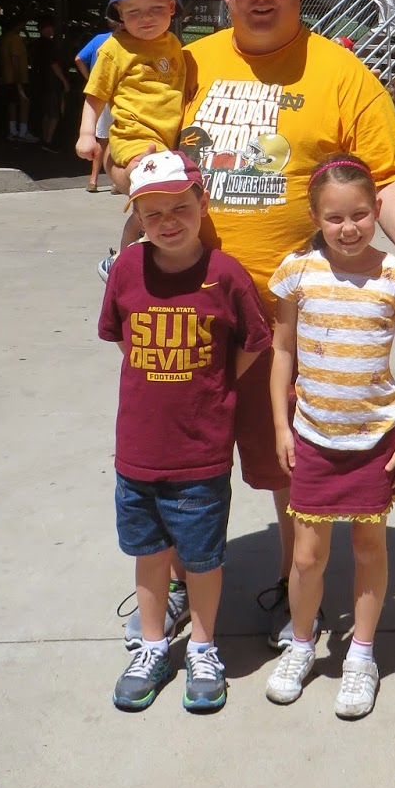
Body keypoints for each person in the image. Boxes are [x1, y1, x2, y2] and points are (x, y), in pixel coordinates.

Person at [178, 0, 395, 649]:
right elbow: (140, 160)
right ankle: (178, 586)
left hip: (294, 322)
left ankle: (288, 582)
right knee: (185, 465)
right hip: (194, 309)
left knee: (286, 466)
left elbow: (388, 172)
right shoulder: (185, 64)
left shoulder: (340, 72)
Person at [99, 151, 271, 715]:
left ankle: (201, 646)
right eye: (152, 214)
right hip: (139, 451)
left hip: (201, 452)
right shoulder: (127, 269)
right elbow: (123, 339)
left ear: (202, 204)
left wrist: (216, 385)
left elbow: (252, 342)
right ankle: (152, 648)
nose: (168, 221)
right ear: (137, 218)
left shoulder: (226, 274)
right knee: (148, 556)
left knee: (201, 560)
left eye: (180, 207)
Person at [264, 156, 395, 719]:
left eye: (360, 214)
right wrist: (282, 426)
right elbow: (282, 351)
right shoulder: (296, 272)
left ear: (378, 211)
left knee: (367, 546)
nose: (349, 227)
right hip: (312, 436)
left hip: (375, 439)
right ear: (315, 216)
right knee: (307, 556)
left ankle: (360, 654)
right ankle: (302, 645)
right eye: (335, 218)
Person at [75, 0, 190, 274]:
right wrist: (87, 135)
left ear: (171, 7)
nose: (147, 18)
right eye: (135, 11)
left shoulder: (173, 45)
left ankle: (126, 259)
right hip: (135, 136)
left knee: (154, 209)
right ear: (119, 14)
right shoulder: (115, 48)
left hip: (169, 138)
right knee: (153, 193)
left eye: (156, 8)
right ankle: (124, 264)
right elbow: (95, 96)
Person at [74, 25, 115, 192]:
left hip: (100, 94)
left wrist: (91, 80)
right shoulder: (127, 42)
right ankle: (114, 182)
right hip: (119, 95)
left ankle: (93, 180)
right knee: (116, 138)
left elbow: (78, 58)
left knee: (101, 139)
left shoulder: (99, 39)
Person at [30, 16, 70, 152]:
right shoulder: (50, 45)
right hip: (51, 82)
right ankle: (49, 141)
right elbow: (54, 64)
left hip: (39, 81)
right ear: (45, 29)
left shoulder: (35, 44)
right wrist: (64, 81)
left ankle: (44, 137)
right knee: (54, 113)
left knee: (46, 112)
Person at [0, 17, 37, 145]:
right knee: (24, 103)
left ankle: (13, 131)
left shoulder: (6, 38)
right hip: (18, 77)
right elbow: (15, 58)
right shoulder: (15, 39)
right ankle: (23, 131)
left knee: (12, 104)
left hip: (7, 76)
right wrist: (18, 79)